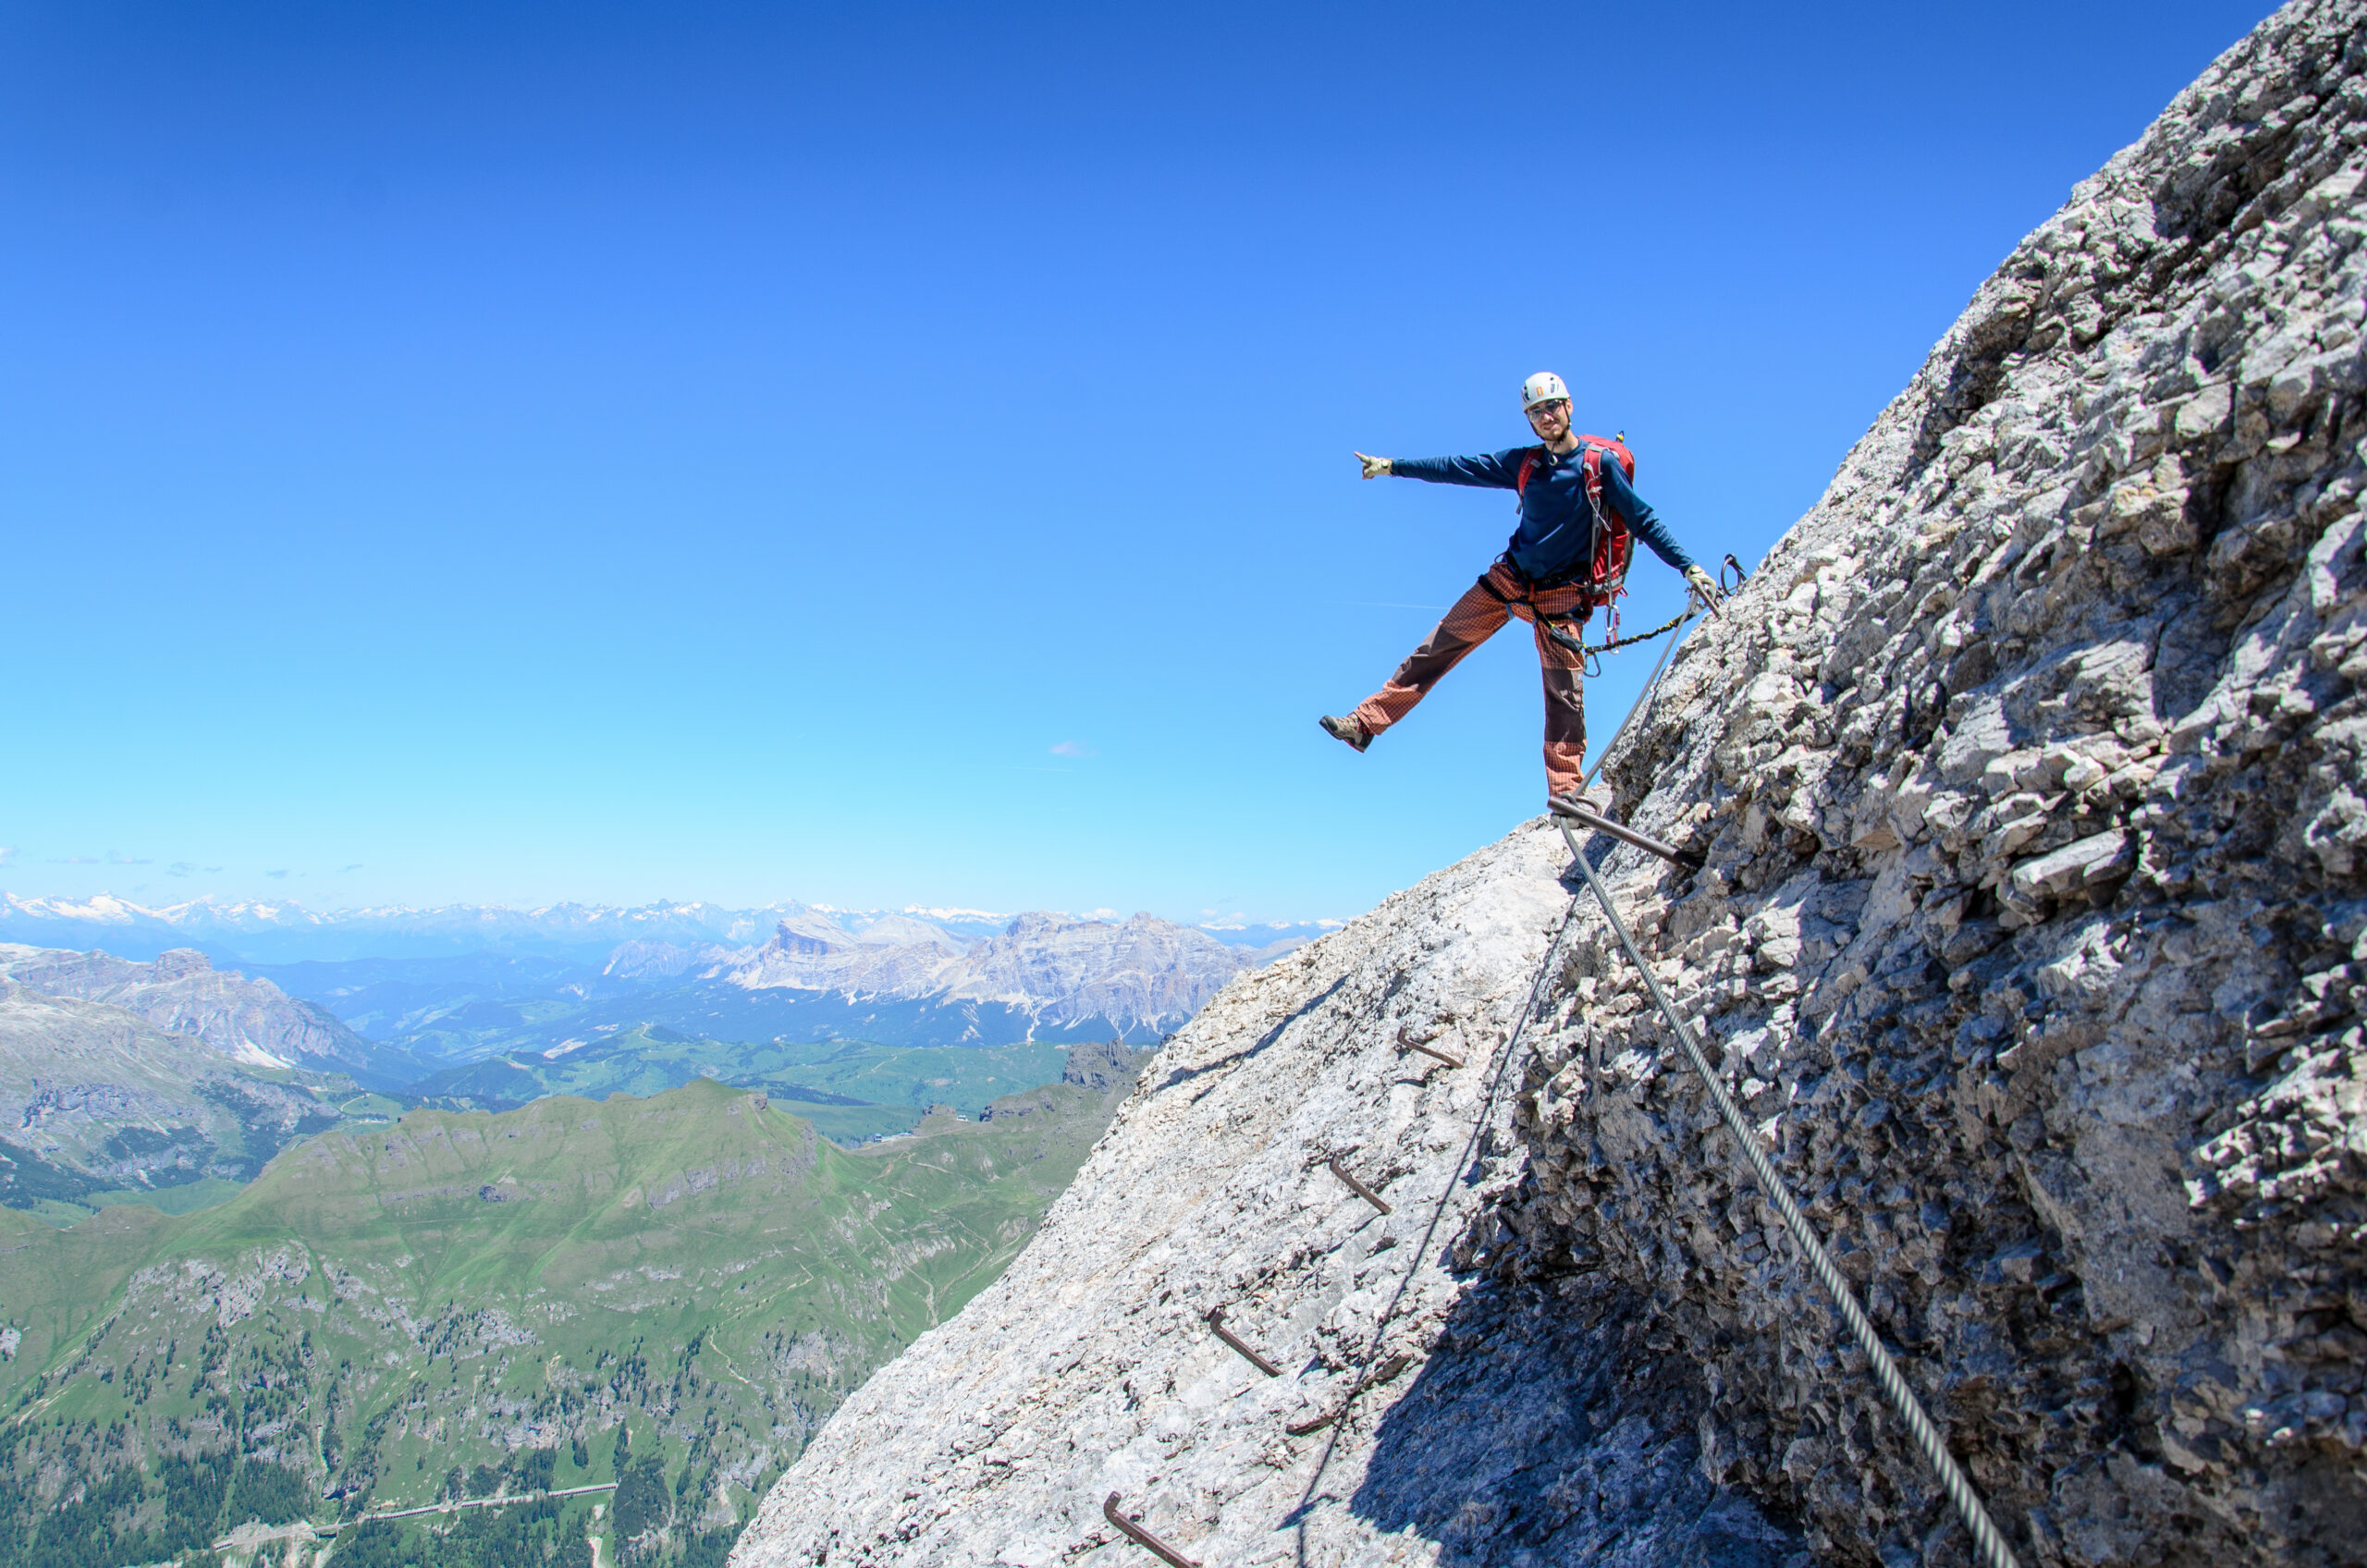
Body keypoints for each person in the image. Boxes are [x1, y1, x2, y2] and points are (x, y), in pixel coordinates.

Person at [1320, 372, 1721, 803]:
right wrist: (1392, 467)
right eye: (1535, 412)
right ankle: (1363, 725)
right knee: (1435, 649)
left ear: (1569, 407)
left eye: (1552, 407)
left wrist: (1689, 567)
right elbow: (1459, 468)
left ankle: (1567, 795)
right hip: (1509, 578)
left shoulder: (1598, 466)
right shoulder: (1525, 463)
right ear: (1529, 421)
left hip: (1562, 596)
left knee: (1563, 695)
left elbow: (1643, 519)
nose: (1546, 416)